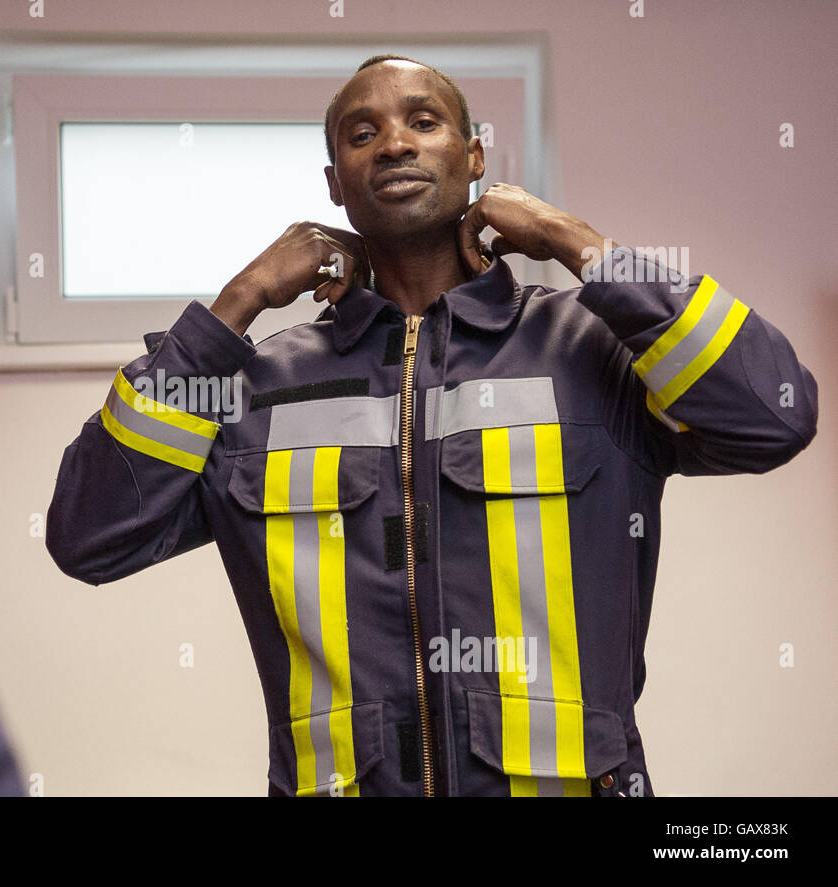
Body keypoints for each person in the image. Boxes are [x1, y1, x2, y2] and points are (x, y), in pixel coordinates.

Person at [45, 55, 818, 797]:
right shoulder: (255, 387)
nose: (394, 143)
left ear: (475, 156)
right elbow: (90, 534)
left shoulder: (592, 351)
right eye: (361, 133)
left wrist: (571, 239)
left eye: (424, 120)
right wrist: (236, 304)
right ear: (335, 185)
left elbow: (773, 411)